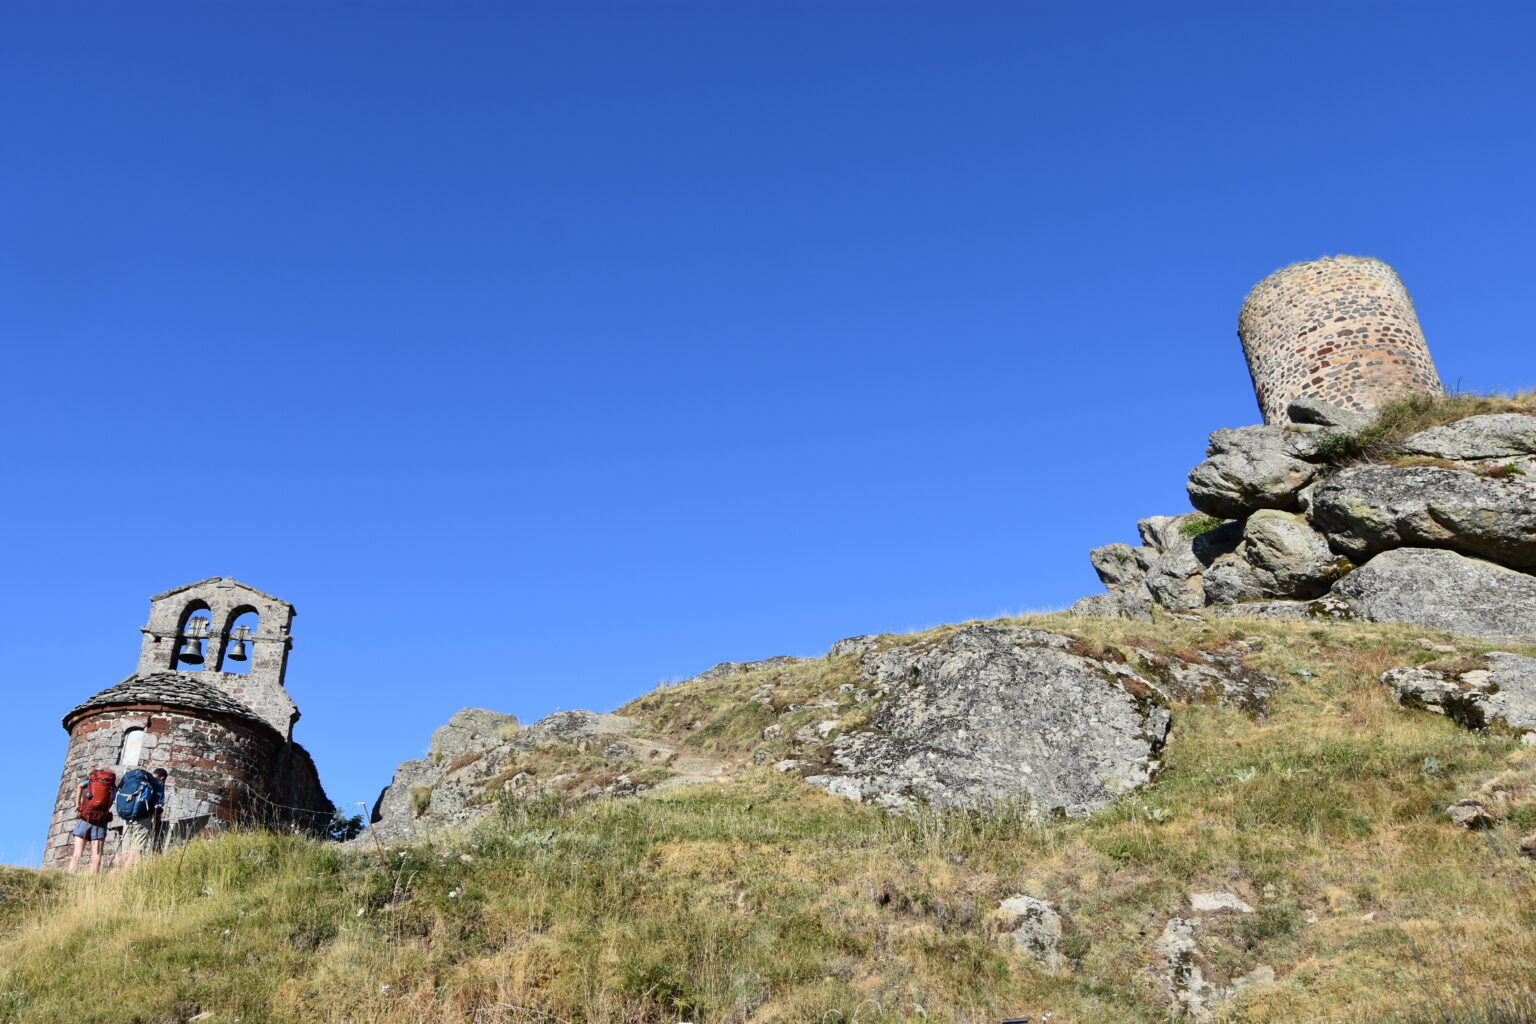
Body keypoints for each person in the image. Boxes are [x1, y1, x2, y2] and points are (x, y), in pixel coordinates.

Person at [67, 768, 116, 874]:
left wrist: (78, 804)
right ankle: (92, 880)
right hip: (100, 822)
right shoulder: (112, 786)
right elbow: (112, 800)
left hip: (85, 817)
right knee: (96, 855)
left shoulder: (92, 780)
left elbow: (80, 786)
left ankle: (70, 875)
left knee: (77, 853)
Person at [116, 767, 167, 869]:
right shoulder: (158, 783)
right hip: (143, 818)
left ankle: (116, 873)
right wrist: (156, 818)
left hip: (127, 817)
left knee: (126, 849)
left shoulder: (135, 779)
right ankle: (126, 874)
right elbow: (158, 805)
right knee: (137, 847)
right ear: (162, 777)